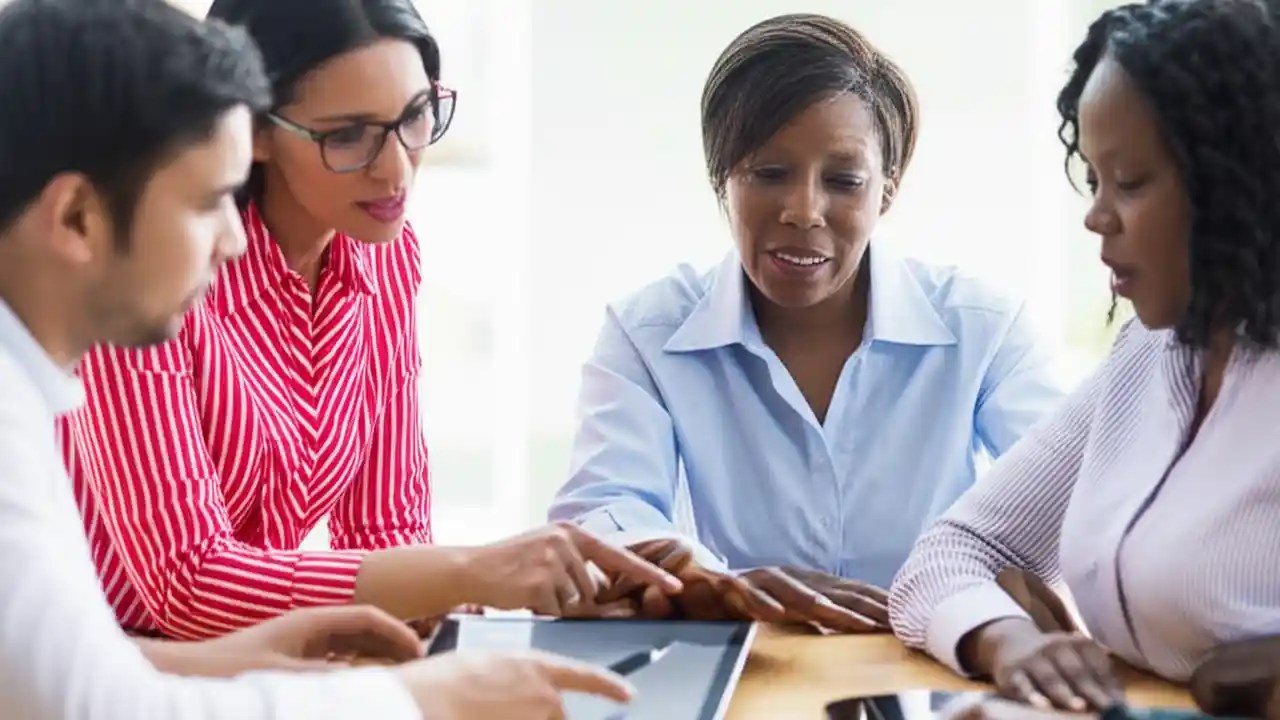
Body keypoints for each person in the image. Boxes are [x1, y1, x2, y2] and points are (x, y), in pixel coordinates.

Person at [0, 0, 636, 718]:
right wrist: (410, 688)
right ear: (77, 219)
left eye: (418, 116)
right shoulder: (117, 322)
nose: (396, 169)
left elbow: (62, 662)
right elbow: (119, 657)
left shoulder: (30, 379)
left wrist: (268, 659)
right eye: (208, 203)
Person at [548, 13, 1063, 630]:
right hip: (754, 668)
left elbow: (1070, 509)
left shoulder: (984, 329)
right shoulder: (648, 333)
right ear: (723, 177)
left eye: (844, 181)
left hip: (940, 667)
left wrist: (975, 604)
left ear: (886, 193)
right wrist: (701, 575)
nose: (803, 210)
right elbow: (604, 510)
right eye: (768, 174)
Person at [889, 0, 1280, 712]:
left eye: (1129, 182)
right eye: (1094, 180)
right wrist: (1009, 642)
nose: (1097, 216)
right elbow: (950, 553)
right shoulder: (1149, 356)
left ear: (1237, 186)